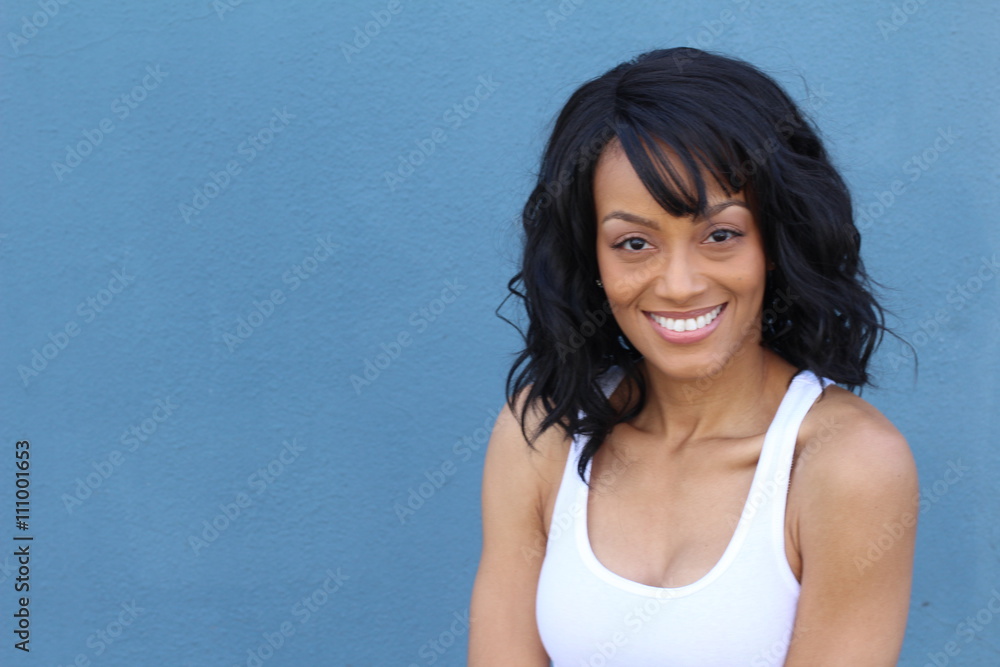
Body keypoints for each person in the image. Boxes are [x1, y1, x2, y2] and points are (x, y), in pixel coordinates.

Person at [468, 47, 919, 666]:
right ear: (590, 260)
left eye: (721, 235)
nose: (679, 283)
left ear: (774, 243)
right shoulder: (543, 431)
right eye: (633, 243)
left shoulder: (846, 465)